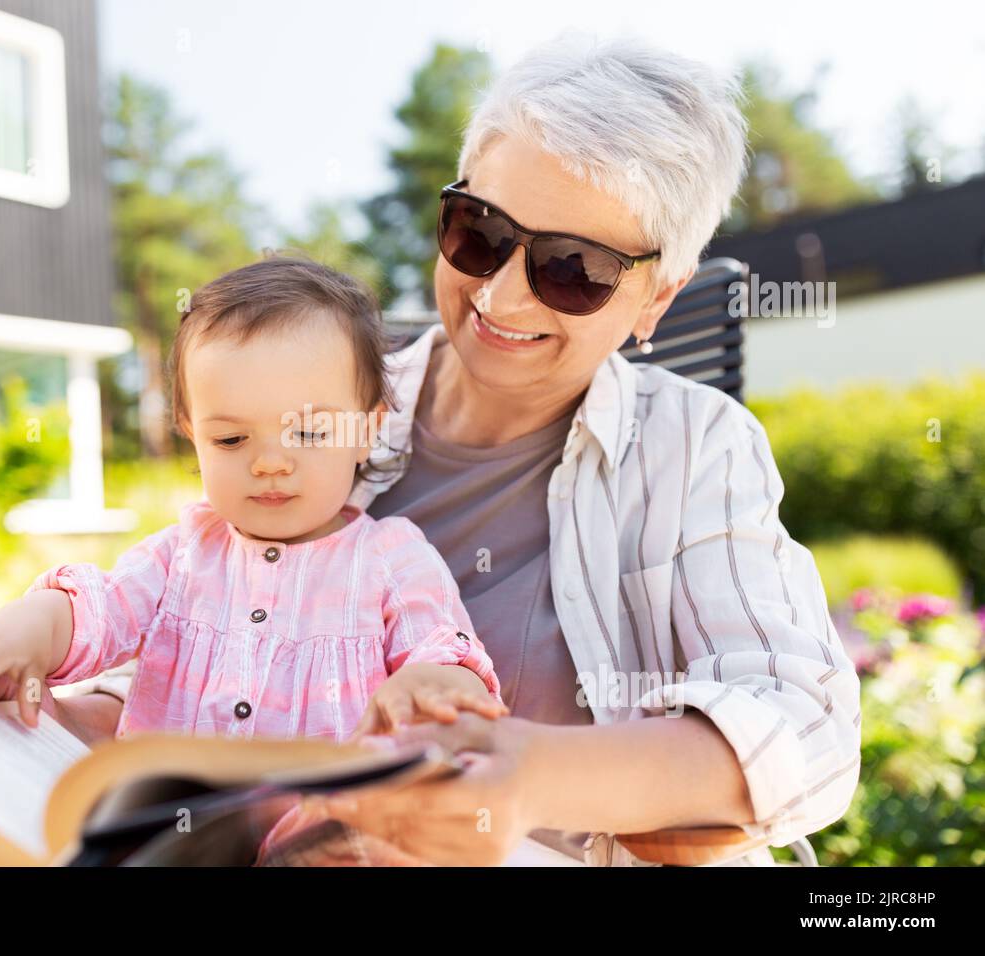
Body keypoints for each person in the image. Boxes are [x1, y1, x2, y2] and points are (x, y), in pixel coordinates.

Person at [54, 32, 863, 867]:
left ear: (656, 298)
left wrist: (529, 777)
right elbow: (222, 621)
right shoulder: (325, 404)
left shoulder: (693, 446)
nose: (501, 293)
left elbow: (807, 727)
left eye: (573, 267)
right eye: (480, 231)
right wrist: (81, 708)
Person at [0, 256, 508, 750]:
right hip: (170, 831)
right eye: (231, 439)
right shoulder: (182, 555)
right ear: (191, 432)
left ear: (367, 429)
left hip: (327, 832)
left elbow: (442, 647)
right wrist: (34, 623)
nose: (270, 463)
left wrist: (436, 685)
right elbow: (103, 608)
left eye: (308, 433)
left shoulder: (390, 559)